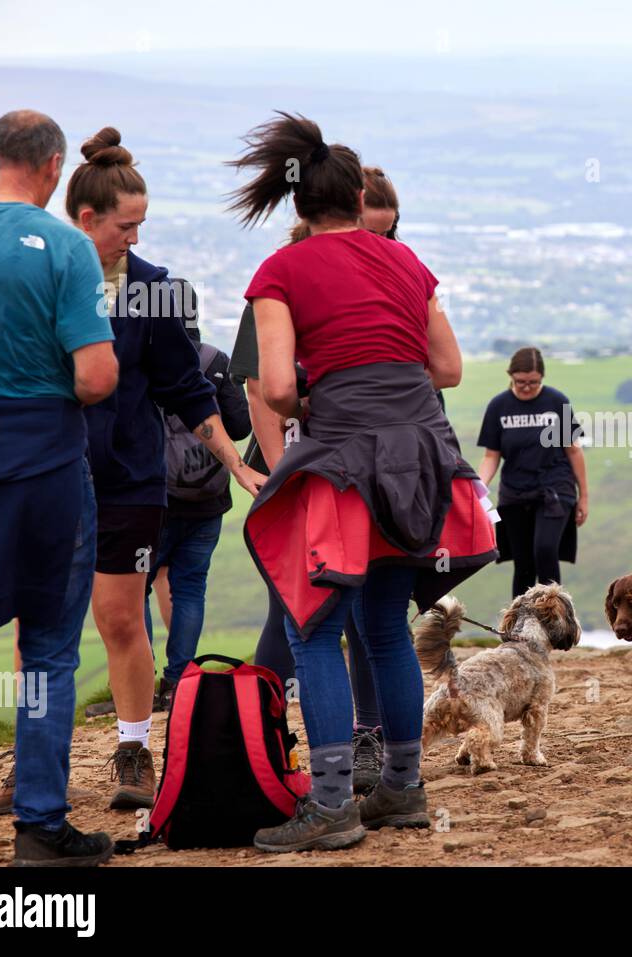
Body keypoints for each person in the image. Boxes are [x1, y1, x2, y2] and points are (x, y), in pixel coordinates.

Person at [228, 112, 498, 852]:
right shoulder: (407, 263)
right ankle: (404, 789)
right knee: (383, 628)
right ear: (356, 199)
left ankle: (331, 802)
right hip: (420, 456)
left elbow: (277, 387)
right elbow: (447, 370)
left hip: (343, 458)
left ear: (298, 204)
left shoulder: (281, 272)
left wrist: (318, 387)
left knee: (312, 626)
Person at [68, 127, 266, 809]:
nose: (135, 238)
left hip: (130, 481)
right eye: (126, 226)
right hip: (51, 478)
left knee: (122, 618)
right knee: (50, 623)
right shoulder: (46, 279)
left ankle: (134, 751)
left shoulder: (157, 291)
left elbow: (188, 390)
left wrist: (236, 463)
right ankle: (34, 761)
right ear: (86, 219)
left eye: (142, 225)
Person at [0, 110, 119, 866]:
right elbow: (95, 375)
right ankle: (41, 829)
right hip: (44, 465)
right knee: (47, 649)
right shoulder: (68, 248)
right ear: (53, 167)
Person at [229, 166, 411, 793]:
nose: (378, 243)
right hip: (310, 464)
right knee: (298, 613)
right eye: (370, 228)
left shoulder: (382, 270)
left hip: (368, 463)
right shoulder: (285, 276)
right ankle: (263, 741)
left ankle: (364, 747)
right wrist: (284, 469)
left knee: (369, 620)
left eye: (388, 234)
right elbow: (260, 389)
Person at [144, 285, 252, 709]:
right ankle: (179, 681)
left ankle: (139, 678)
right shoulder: (214, 359)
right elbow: (240, 428)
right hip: (208, 499)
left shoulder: (145, 359)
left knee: (137, 589)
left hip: (154, 498)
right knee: (190, 588)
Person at [477, 347, 589, 598]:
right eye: (520, 382)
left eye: (533, 383)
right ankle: (519, 626)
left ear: (542, 379)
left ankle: (555, 619)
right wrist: (478, 490)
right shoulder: (499, 406)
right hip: (515, 493)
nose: (526, 387)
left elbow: (573, 451)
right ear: (511, 377)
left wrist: (584, 496)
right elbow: (491, 456)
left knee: (545, 550)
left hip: (555, 489)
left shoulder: (555, 402)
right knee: (523, 562)